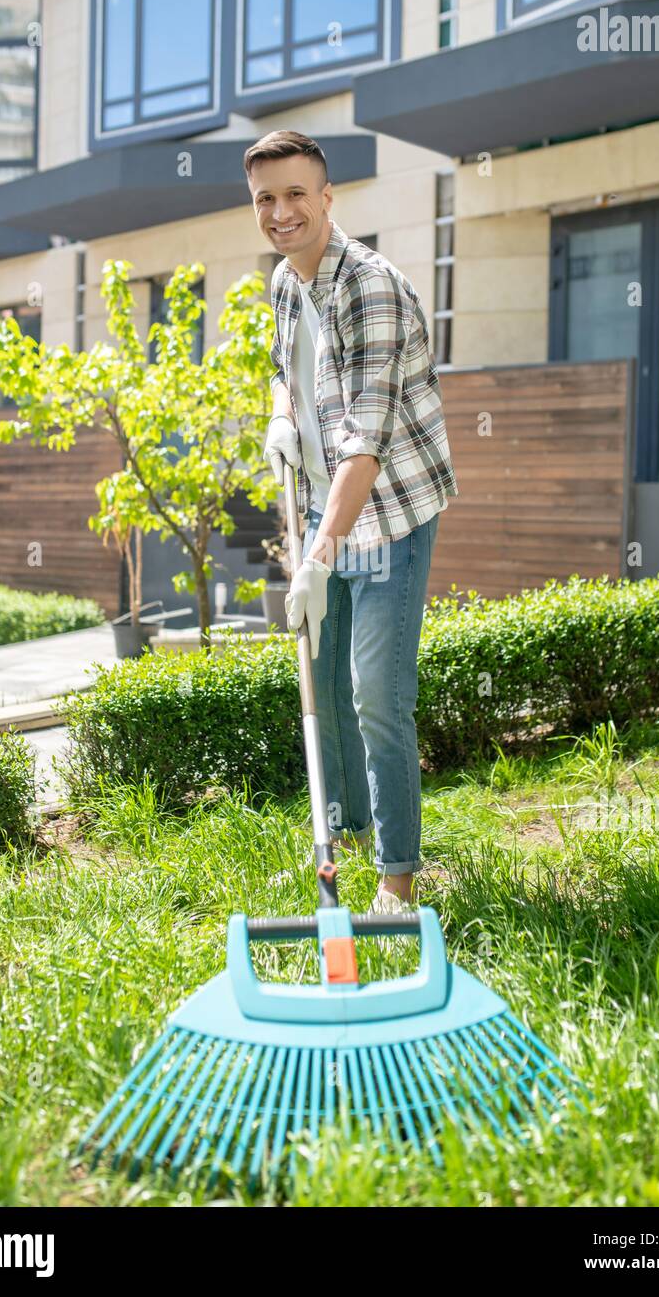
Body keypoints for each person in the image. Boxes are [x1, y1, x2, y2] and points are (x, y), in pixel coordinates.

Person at [246, 129, 458, 912]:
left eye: (297, 194)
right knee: (324, 691)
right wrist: (280, 418)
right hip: (319, 505)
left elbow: (365, 445)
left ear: (327, 198)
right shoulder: (282, 284)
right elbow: (287, 376)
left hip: (390, 513)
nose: (281, 212)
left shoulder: (369, 287)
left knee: (376, 694)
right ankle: (338, 843)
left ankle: (397, 881)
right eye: (266, 198)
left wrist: (315, 562)